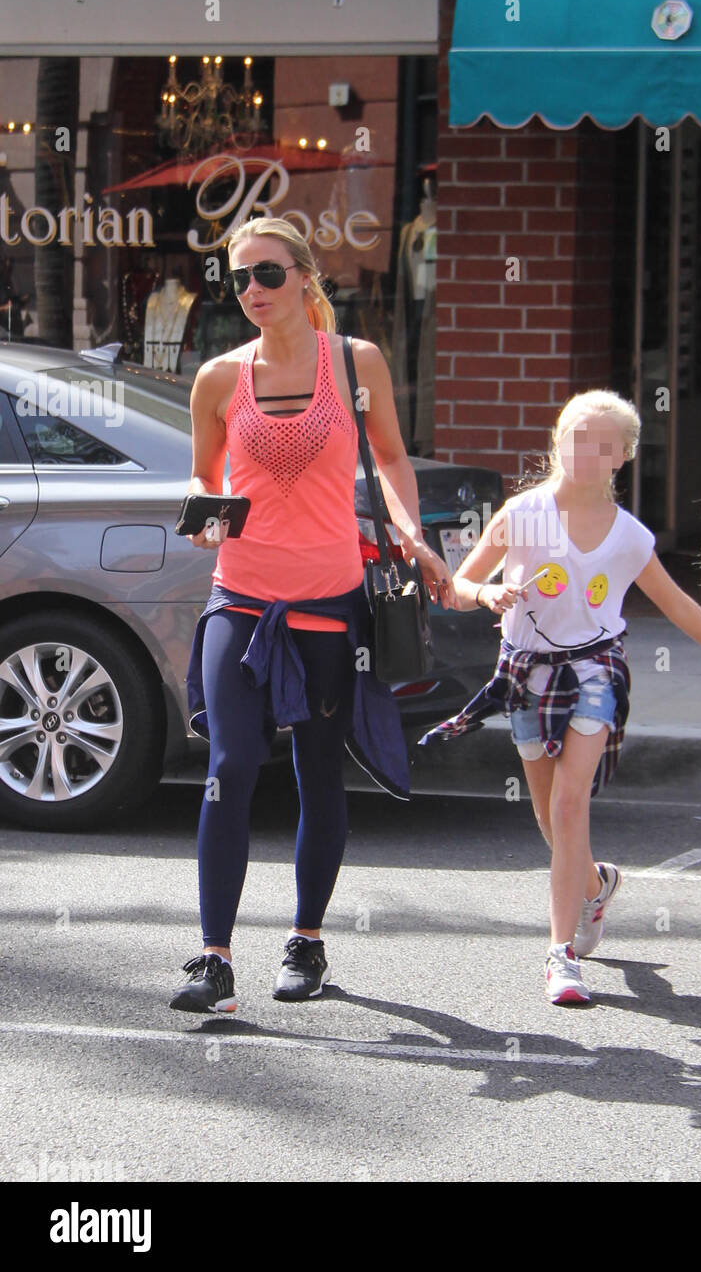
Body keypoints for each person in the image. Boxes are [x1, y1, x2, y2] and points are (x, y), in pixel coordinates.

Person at [172, 216, 453, 1015]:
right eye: (238, 280)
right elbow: (202, 477)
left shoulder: (354, 363)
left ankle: (307, 941)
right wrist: (203, 518)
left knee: (317, 771)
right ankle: (213, 959)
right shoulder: (220, 378)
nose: (252, 292)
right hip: (242, 593)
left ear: (303, 277)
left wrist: (412, 536)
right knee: (228, 766)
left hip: (330, 598)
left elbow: (392, 458)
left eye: (267, 274)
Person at [419, 391, 701, 1005]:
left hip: (595, 671)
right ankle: (595, 884)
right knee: (551, 814)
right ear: (558, 441)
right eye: (578, 436)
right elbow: (455, 586)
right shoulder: (522, 515)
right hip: (526, 671)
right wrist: (488, 594)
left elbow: (680, 605)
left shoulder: (629, 537)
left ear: (623, 458)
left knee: (571, 802)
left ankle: (560, 956)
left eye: (604, 444)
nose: (588, 450)